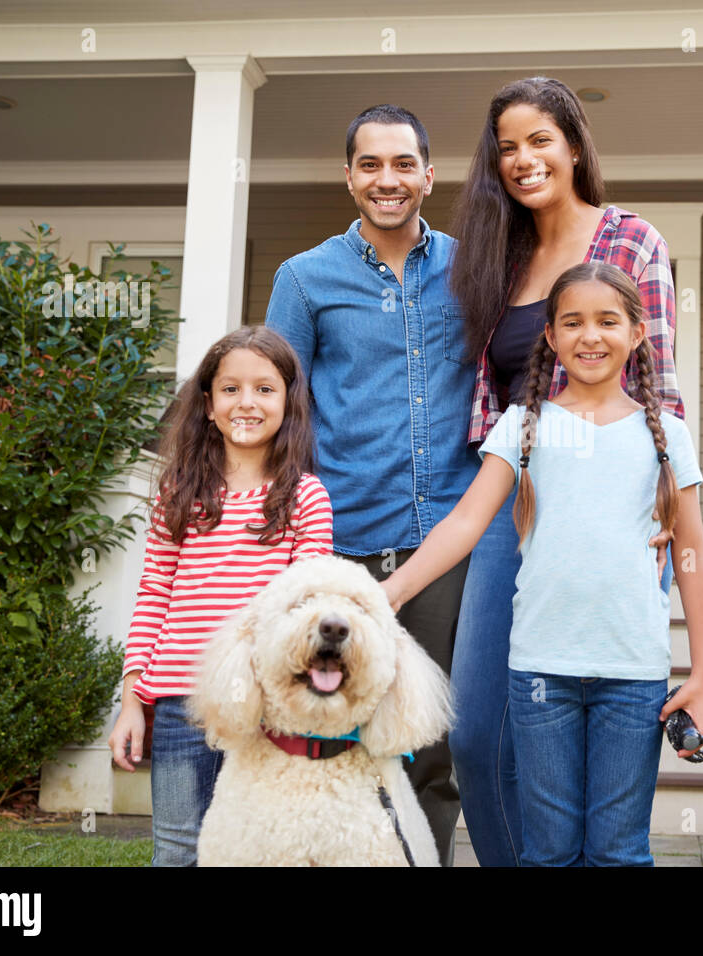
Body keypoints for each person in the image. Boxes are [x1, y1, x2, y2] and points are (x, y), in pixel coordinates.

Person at [381, 263, 703, 866]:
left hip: (633, 674)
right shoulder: (523, 426)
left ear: (638, 333)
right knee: (549, 852)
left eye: (608, 321)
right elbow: (463, 524)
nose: (591, 336)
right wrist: (392, 591)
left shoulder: (665, 434)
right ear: (553, 338)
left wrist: (702, 676)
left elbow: (692, 557)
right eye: (573, 322)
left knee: (619, 852)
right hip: (540, 674)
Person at [447, 75, 685, 865]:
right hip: (513, 504)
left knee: (596, 766)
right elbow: (489, 396)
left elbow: (665, 387)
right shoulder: (498, 255)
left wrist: (666, 508)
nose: (522, 160)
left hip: (610, 518)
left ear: (575, 146)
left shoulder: (633, 240)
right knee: (479, 735)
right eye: (506, 148)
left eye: (539, 140)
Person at [265, 105, 477, 867]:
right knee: (330, 731)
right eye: (369, 165)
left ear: (429, 173)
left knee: (432, 744)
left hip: (446, 547)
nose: (387, 180)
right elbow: (277, 408)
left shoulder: (475, 266)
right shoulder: (304, 278)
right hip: (340, 541)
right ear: (349, 176)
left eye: (402, 164)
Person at [108, 326, 334, 866]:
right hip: (181, 702)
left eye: (264, 388)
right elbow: (153, 593)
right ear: (208, 405)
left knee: (259, 851)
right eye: (230, 389)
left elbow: (305, 610)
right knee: (179, 849)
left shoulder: (305, 497)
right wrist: (132, 700)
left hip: (267, 710)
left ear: (288, 402)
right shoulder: (177, 494)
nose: (247, 402)